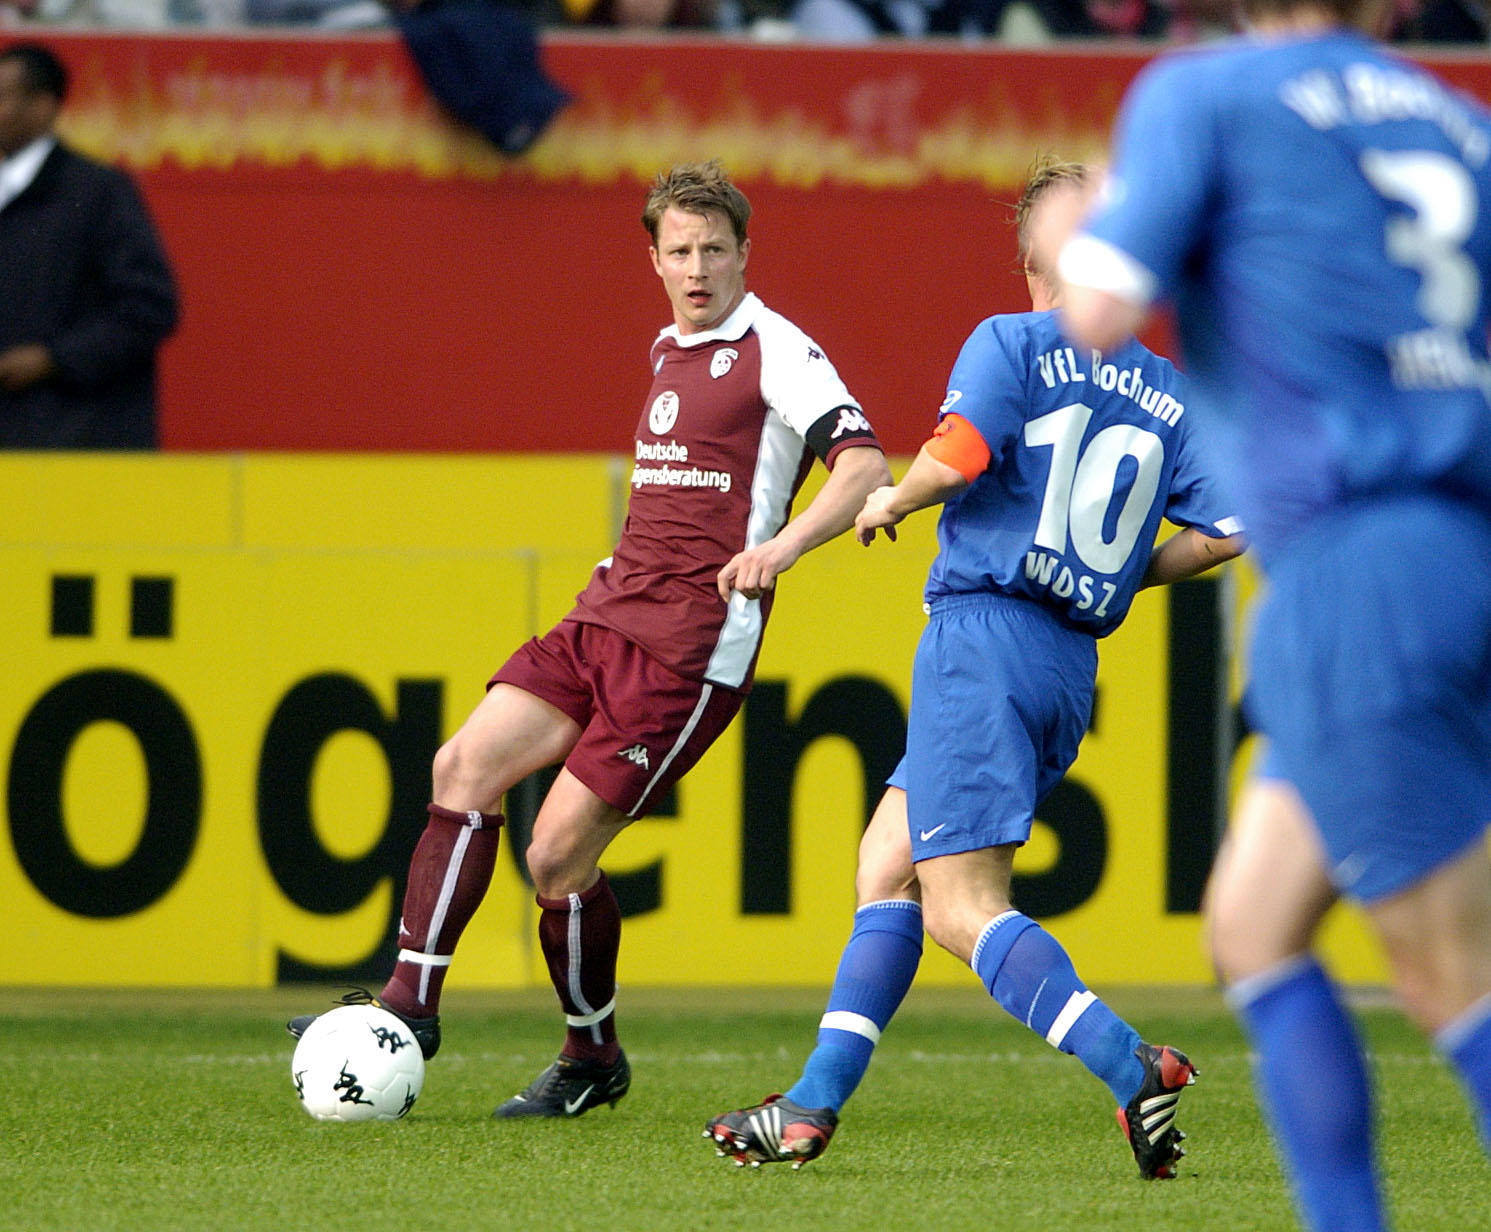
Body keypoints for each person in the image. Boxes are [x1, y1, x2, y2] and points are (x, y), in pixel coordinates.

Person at [289, 159, 892, 1118]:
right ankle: (410, 1006)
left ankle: (588, 1057)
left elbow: (861, 464)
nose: (698, 269)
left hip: (689, 650)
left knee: (556, 859)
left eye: (716, 250)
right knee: (460, 769)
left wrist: (780, 547)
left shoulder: (776, 348)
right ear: (652, 258)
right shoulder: (668, 348)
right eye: (680, 251)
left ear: (745, 253)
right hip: (603, 616)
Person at [1034, 5, 1491, 1227]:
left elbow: (1097, 312)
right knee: (1253, 921)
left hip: (1358, 566)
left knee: (1456, 976)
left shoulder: (1206, 94)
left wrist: (1083, 230)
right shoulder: (1453, 118)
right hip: (1458, 542)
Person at [704, 159, 1245, 1177]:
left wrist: (891, 501)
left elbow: (958, 450)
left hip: (985, 635)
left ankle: (1130, 1063)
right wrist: (1122, 573)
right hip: (1067, 661)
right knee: (886, 864)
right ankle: (812, 1104)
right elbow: (1225, 533)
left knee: (961, 905)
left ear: (1028, 259)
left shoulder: (1015, 340)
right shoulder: (1170, 393)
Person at [0, 41, 179, 449]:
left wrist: (53, 358)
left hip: (78, 438)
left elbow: (149, 307)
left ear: (43, 106)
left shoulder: (97, 192)